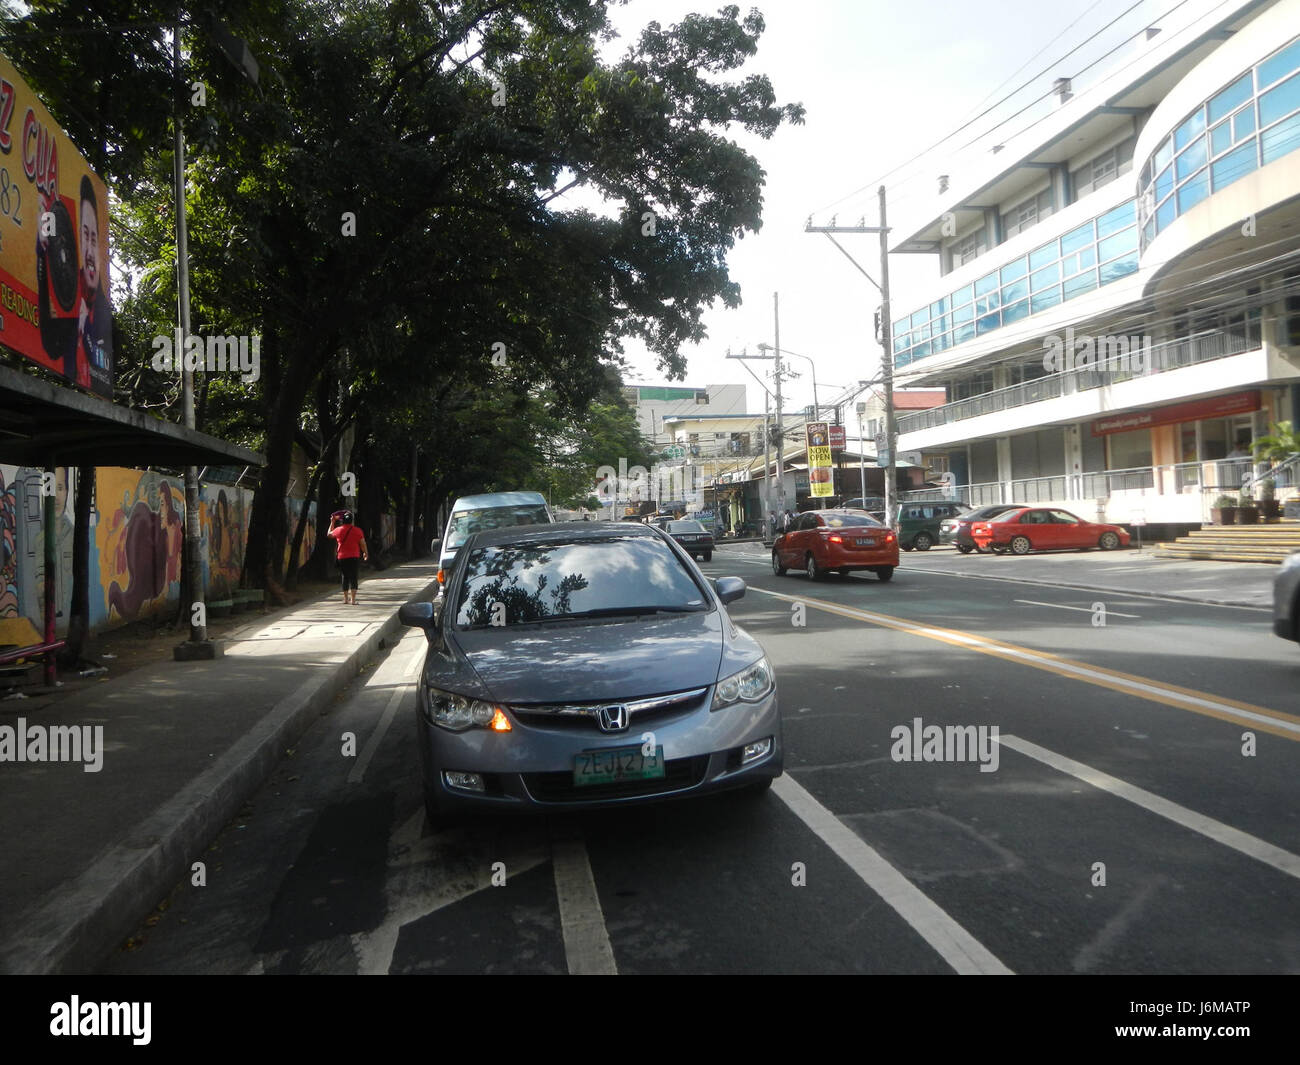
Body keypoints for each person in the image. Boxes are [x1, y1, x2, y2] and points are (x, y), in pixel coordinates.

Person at [36, 175, 112, 391]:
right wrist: (42, 250)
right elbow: (51, 346)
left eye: (94, 239)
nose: (89, 250)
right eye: (84, 236)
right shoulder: (67, 292)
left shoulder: (102, 313)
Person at [328, 510, 369, 605]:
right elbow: (363, 543)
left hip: (342, 557)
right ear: (352, 521)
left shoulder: (339, 530)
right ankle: (353, 600)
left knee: (345, 577)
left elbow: (329, 534)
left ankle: (346, 599)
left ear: (343, 521)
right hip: (354, 556)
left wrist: (332, 522)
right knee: (354, 576)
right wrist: (365, 553)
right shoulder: (358, 530)